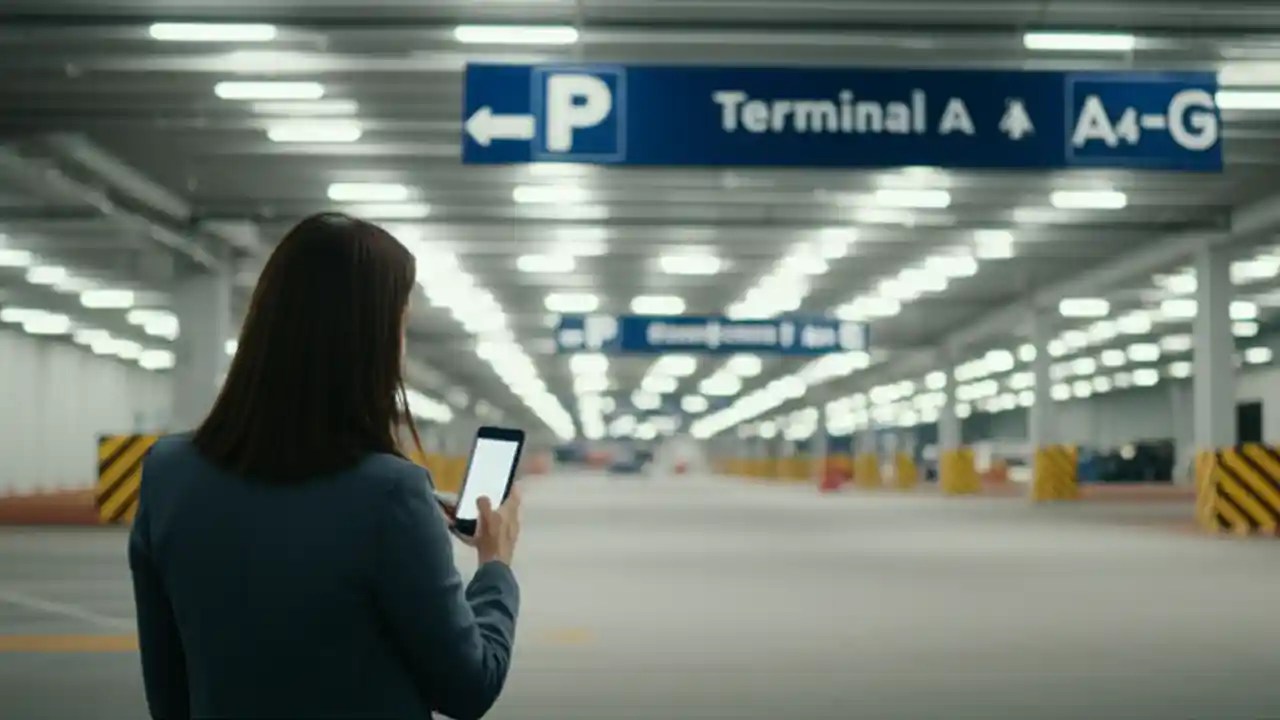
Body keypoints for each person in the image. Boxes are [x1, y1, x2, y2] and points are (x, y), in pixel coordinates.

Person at [127, 212, 522, 720]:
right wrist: (495, 566)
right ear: (371, 341)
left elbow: (167, 685)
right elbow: (469, 686)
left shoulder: (167, 473)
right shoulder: (390, 494)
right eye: (400, 324)